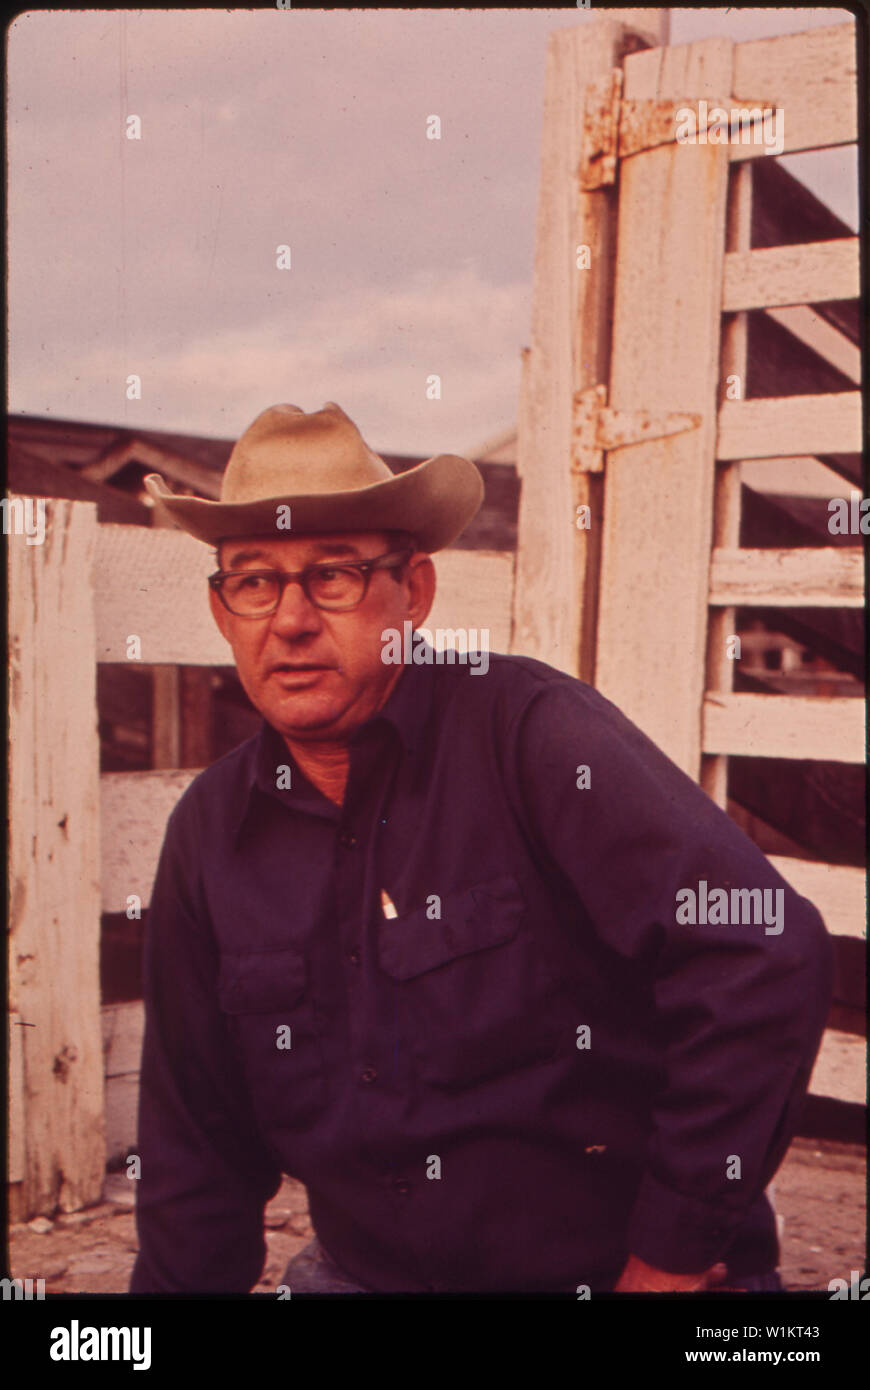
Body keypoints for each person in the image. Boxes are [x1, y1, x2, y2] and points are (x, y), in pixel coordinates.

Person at [129, 400, 832, 1295]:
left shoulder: (533, 737)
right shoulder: (210, 831)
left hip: (620, 1273)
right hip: (367, 1276)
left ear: (413, 592)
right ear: (223, 610)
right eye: (255, 581)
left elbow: (763, 950)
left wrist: (671, 1254)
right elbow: (196, 1149)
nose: (292, 620)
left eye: (334, 575)